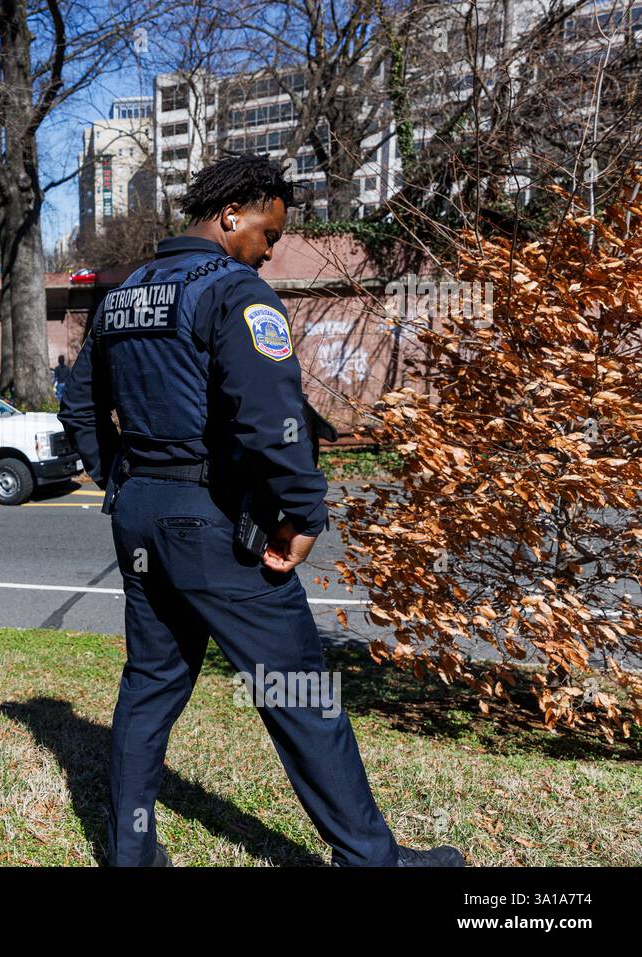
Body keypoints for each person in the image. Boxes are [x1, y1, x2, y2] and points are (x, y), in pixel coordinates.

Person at [59, 155, 466, 869]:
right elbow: (270, 419)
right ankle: (372, 860)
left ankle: (129, 856)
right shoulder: (233, 292)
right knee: (299, 692)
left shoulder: (122, 293)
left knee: (151, 685)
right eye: (269, 233)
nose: (272, 250)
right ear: (231, 216)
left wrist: (119, 477)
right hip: (210, 517)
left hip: (141, 512)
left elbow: (78, 403)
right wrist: (305, 513)